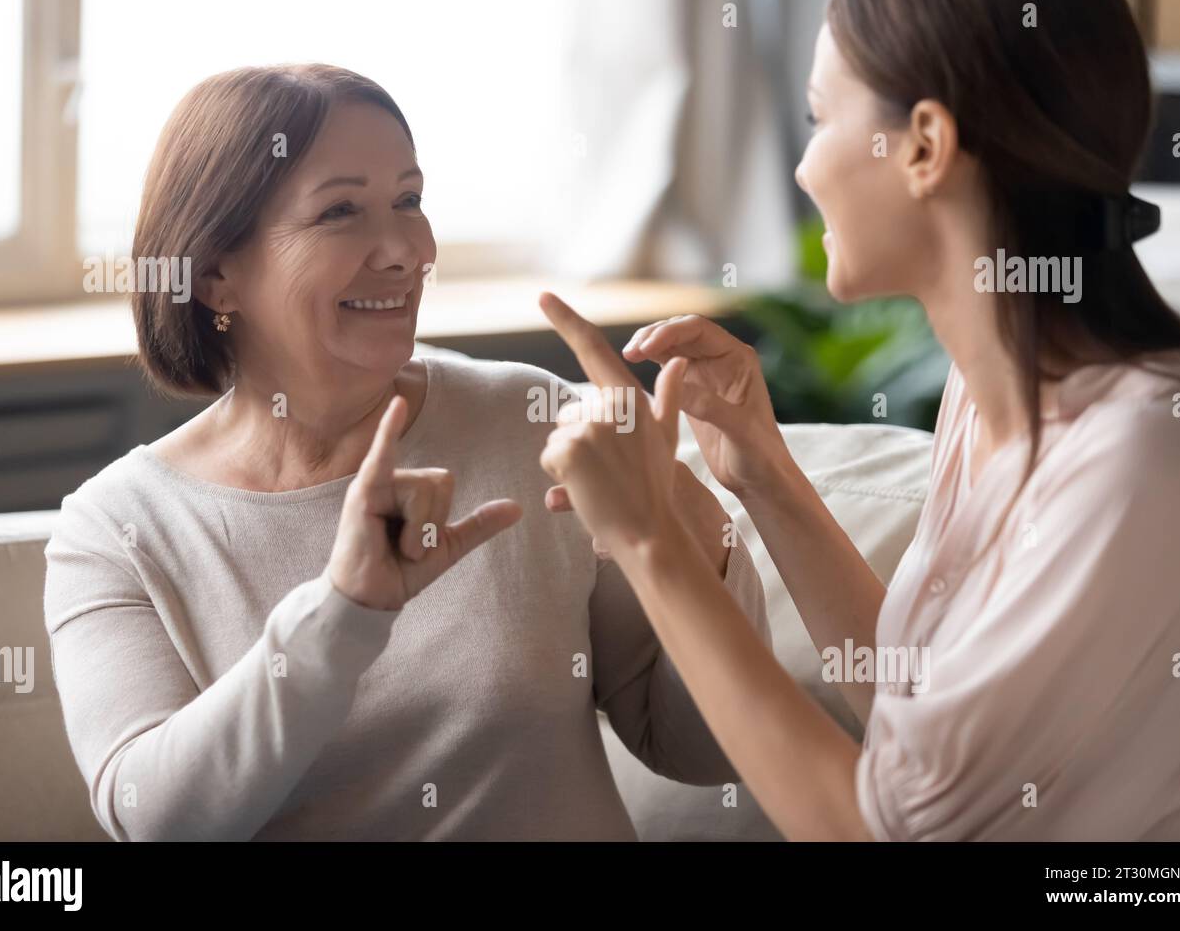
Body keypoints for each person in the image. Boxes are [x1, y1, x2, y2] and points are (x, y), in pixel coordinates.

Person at [537, 0, 1180, 840]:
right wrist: (767, 476)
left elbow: (874, 831)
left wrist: (647, 538)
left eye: (821, 119)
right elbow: (920, 722)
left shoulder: (1135, 459)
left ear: (924, 146)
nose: (803, 165)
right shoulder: (988, 400)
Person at [44, 64, 769, 841]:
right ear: (218, 276)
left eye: (409, 200)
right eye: (340, 212)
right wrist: (342, 613)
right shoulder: (116, 529)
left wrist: (689, 525)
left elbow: (705, 750)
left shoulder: (538, 424)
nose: (403, 249)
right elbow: (155, 821)